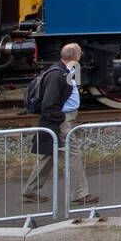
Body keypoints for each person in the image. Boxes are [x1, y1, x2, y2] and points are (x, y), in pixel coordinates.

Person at [21, 43, 99, 205]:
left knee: (49, 155)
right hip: (61, 120)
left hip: (63, 118)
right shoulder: (57, 75)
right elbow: (48, 105)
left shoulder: (68, 70)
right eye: (80, 53)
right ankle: (79, 194)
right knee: (73, 154)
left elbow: (73, 89)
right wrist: (62, 119)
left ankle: (30, 190)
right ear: (76, 56)